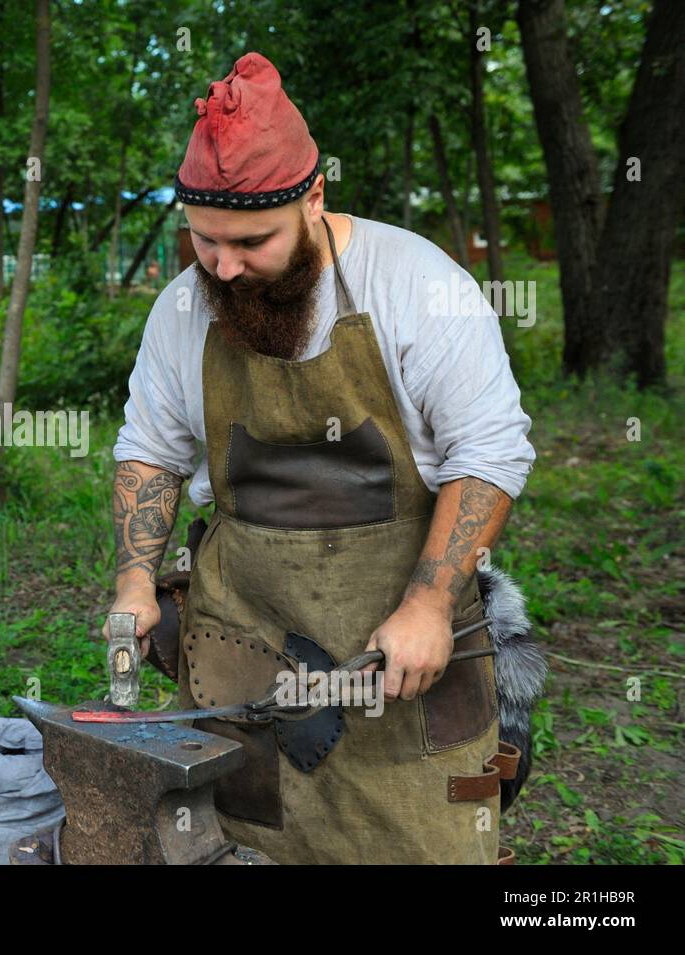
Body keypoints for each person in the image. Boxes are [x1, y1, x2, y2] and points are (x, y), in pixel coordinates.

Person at [105, 52, 536, 864]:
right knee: (244, 839)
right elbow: (151, 452)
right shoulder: (183, 309)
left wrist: (431, 605)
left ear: (313, 198)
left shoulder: (415, 285)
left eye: (250, 242)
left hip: (401, 652)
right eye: (203, 240)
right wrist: (135, 581)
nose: (224, 267)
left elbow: (489, 450)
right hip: (246, 650)